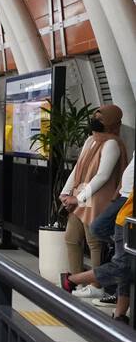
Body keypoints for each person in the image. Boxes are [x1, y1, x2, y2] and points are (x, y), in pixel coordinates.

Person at [59, 105, 128, 295]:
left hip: (97, 198)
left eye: (101, 117)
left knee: (94, 242)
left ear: (113, 122)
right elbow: (78, 167)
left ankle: (96, 286)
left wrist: (77, 198)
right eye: (95, 115)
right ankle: (75, 281)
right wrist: (65, 192)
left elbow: (103, 176)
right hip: (81, 195)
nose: (95, 119)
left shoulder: (112, 143)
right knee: (71, 238)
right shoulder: (91, 140)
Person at [62, 157, 133, 323]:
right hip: (127, 210)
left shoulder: (109, 144)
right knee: (123, 263)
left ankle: (120, 313)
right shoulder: (98, 143)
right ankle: (72, 280)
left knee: (125, 263)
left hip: (125, 208)